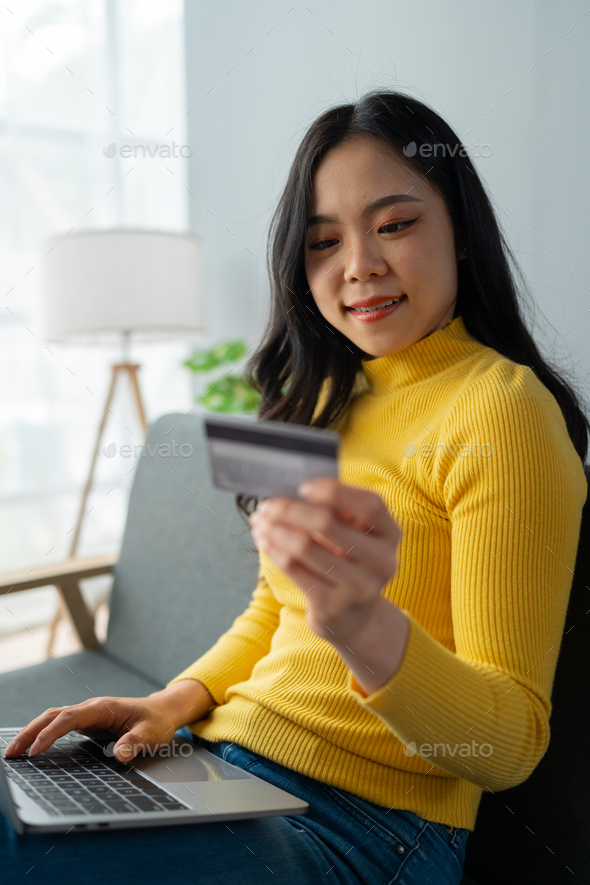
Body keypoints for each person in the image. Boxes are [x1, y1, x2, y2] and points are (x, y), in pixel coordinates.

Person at [2, 89, 588, 885]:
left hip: (367, 828)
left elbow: (511, 742)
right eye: (322, 241)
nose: (359, 266)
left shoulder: (503, 408)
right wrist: (170, 703)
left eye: (395, 224)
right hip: (218, 765)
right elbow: (273, 609)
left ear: (461, 228)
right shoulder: (321, 400)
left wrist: (363, 625)